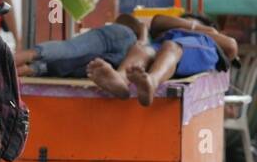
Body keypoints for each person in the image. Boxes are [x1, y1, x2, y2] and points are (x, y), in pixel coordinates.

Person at [88, 13, 238, 106]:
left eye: (186, 21)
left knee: (171, 46)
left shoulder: (207, 37)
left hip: (191, 47)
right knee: (142, 49)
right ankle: (120, 80)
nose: (180, 23)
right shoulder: (167, 32)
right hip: (161, 48)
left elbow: (231, 46)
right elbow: (158, 21)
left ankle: (152, 82)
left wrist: (200, 29)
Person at [13, 14, 147, 78]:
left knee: (70, 49)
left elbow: (143, 26)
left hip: (126, 40)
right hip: (124, 59)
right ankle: (27, 69)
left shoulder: (124, 31)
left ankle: (16, 60)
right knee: (82, 64)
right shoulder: (145, 47)